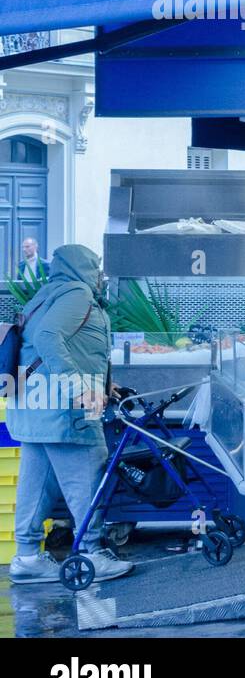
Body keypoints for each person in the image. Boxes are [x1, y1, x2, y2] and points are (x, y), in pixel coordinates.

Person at [7, 245, 133, 584]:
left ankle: (28, 557)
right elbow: (49, 338)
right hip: (65, 410)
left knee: (36, 486)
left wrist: (105, 384)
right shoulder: (76, 294)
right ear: (83, 268)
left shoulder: (46, 295)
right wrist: (80, 388)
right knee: (87, 474)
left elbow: (69, 346)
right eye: (96, 268)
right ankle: (92, 550)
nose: (99, 275)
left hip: (35, 409)